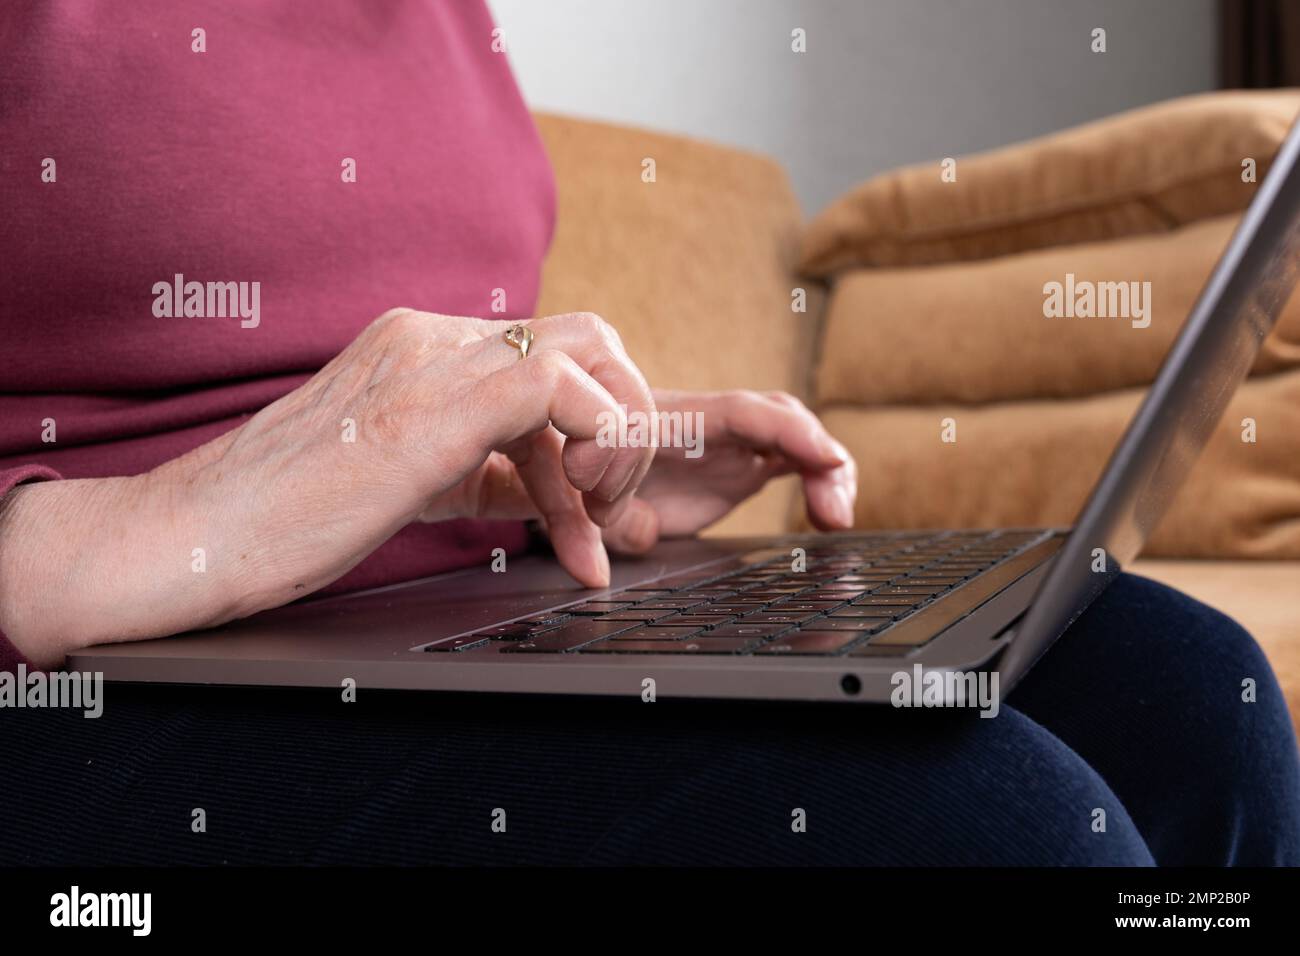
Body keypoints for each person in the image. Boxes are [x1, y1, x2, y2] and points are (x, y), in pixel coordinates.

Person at [1, 0, 1297, 866]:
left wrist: (549, 468)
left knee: (1192, 696)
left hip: (468, 604)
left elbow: (417, 369)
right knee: (1002, 829)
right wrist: (152, 528)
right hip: (90, 670)